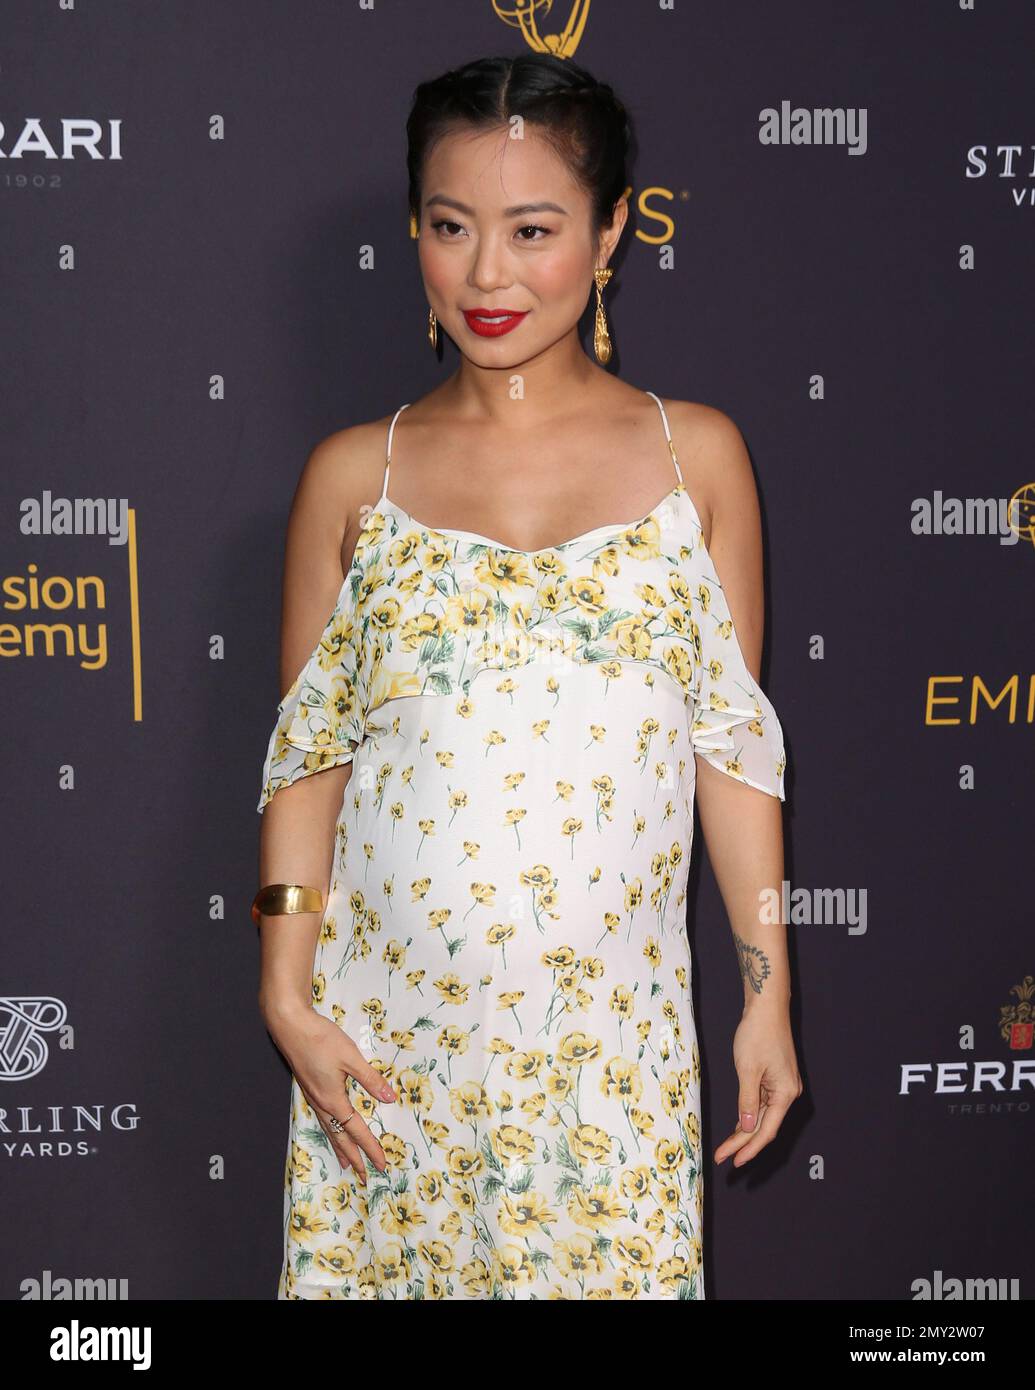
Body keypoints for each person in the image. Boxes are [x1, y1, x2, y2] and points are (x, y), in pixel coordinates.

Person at [253, 51, 802, 1301]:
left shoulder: (697, 458)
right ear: (413, 232)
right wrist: (288, 997)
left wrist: (767, 996)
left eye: (533, 229)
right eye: (450, 228)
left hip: (609, 1066)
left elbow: (733, 754)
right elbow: (308, 757)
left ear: (611, 233)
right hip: (386, 1061)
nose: (487, 274)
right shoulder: (354, 478)